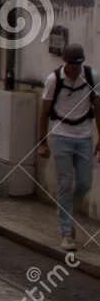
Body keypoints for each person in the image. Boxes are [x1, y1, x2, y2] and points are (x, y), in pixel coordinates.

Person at [38, 43, 100, 247]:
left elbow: (98, 108)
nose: (75, 69)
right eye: (72, 65)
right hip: (61, 135)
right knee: (65, 182)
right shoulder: (53, 80)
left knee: (85, 182)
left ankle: (66, 210)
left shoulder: (91, 77)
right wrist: (42, 142)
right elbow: (44, 112)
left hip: (84, 136)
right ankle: (67, 232)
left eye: (78, 65)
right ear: (65, 62)